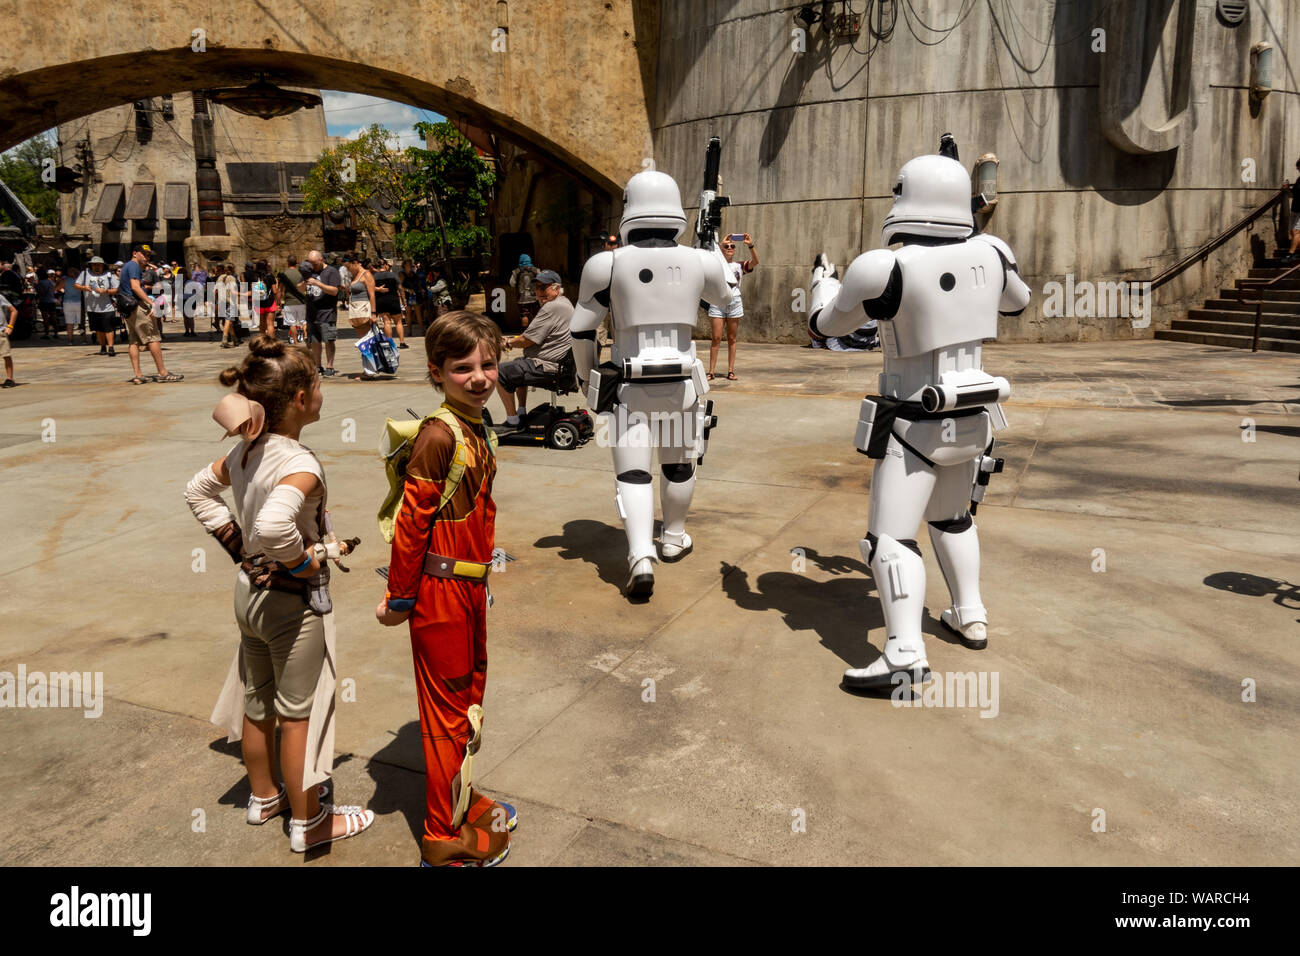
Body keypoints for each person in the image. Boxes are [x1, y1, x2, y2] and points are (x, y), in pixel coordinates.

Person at [806, 141, 1030, 690]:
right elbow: (1018, 302)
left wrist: (822, 284)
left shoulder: (883, 266)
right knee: (953, 518)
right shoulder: (994, 253)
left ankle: (905, 651)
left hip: (913, 419)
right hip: (973, 416)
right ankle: (969, 613)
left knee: (890, 539)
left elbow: (824, 327)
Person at [185, 335, 374, 853]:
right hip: (293, 605)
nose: (320, 392)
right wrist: (301, 560)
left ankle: (265, 795)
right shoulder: (299, 464)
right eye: (316, 384)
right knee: (298, 716)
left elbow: (197, 491)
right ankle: (310, 823)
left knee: (257, 701)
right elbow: (273, 527)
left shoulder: (245, 451)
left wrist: (238, 549)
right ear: (298, 399)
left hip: (248, 598)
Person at [375, 311, 516, 867]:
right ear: (436, 372)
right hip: (438, 594)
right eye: (463, 369)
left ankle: (458, 798)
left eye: (488, 364)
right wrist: (401, 599)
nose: (480, 378)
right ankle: (439, 834)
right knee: (445, 717)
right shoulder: (439, 434)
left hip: (469, 587)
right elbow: (412, 524)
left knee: (468, 701)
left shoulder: (476, 423)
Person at [569, 170, 737, 597]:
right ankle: (674, 536)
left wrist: (587, 378)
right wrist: (709, 247)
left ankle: (641, 554)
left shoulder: (605, 263)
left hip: (626, 384)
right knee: (680, 465)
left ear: (629, 209)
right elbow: (728, 297)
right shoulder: (700, 260)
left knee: (633, 472)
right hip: (683, 384)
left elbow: (582, 331)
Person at [495, 270, 572, 426]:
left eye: (544, 288)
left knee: (499, 373)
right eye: (537, 287)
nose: (539, 292)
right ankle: (521, 412)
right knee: (518, 363)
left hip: (548, 366)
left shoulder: (551, 307)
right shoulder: (564, 303)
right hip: (555, 364)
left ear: (556, 289)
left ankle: (512, 421)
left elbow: (526, 340)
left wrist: (507, 342)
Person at [120, 244, 182, 384]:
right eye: (144, 254)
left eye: (149, 255)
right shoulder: (134, 266)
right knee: (153, 337)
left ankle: (138, 375)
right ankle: (163, 373)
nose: (147, 257)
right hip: (137, 306)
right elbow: (135, 287)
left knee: (134, 341)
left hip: (128, 308)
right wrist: (151, 302)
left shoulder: (127, 266)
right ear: (135, 253)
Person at [707, 233, 758, 381]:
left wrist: (750, 245)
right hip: (718, 302)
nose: (729, 248)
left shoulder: (739, 266)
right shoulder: (716, 263)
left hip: (734, 302)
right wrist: (720, 244)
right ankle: (711, 371)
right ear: (722, 249)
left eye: (732, 246)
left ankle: (730, 370)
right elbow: (709, 256)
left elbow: (755, 261)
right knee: (716, 338)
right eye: (726, 246)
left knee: (732, 338)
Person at [298, 250, 341, 376]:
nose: (313, 267)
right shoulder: (309, 271)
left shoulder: (331, 271)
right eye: (310, 264)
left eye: (315, 264)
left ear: (321, 260)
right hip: (312, 312)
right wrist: (305, 281)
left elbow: (334, 291)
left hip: (327, 312)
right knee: (314, 341)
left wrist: (317, 283)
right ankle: (318, 365)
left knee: (329, 340)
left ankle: (330, 366)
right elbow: (300, 288)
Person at [77, 256, 118, 356]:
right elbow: (76, 285)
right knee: (99, 329)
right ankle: (103, 346)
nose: (96, 267)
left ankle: (111, 348)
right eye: (94, 265)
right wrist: (84, 287)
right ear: (90, 265)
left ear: (103, 266)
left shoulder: (109, 275)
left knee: (109, 328)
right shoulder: (85, 274)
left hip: (107, 306)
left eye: (99, 265)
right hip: (92, 307)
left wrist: (106, 291)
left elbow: (117, 289)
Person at [372, 258, 406, 348]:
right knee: (398, 322)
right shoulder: (393, 275)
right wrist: (403, 299)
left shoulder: (374, 277)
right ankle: (402, 342)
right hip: (393, 300)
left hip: (381, 301)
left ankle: (390, 343)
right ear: (385, 265)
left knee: (386, 322)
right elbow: (400, 288)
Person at [276, 255, 307, 346]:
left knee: (292, 323)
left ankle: (295, 342)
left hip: (289, 302)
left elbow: (279, 290)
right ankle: (306, 335)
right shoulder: (301, 273)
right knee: (304, 321)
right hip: (301, 301)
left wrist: (278, 303)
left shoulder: (284, 274)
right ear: (296, 262)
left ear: (288, 262)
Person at [508, 254, 540, 326]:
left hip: (522, 297)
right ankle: (537, 330)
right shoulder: (535, 270)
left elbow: (512, 283)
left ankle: (525, 331)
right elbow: (542, 281)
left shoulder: (516, 271)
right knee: (536, 314)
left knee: (524, 314)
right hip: (535, 296)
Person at [216, 262, 242, 348]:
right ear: (233, 269)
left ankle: (235, 339)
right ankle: (224, 340)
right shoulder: (232, 278)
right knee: (228, 320)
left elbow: (215, 290)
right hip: (230, 301)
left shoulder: (220, 277)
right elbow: (233, 291)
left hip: (221, 301)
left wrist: (216, 300)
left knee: (229, 320)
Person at [253, 260, 277, 339]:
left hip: (258, 303)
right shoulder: (270, 276)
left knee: (261, 324)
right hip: (269, 302)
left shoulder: (255, 276)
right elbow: (274, 291)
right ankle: (271, 343)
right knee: (270, 324)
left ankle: (262, 343)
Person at [1285, 158, 1300, 264]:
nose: (1298, 169)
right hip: (1295, 208)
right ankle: (1296, 251)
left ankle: (1290, 254)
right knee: (1292, 232)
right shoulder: (1299, 179)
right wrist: (1287, 189)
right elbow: (1293, 194)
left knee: (1296, 232)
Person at [1, 290, 17, 387]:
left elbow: (14, 311)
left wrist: (10, 326)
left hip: (1, 330)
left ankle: (9, 378)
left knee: (6, 355)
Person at [36, 269, 57, 339]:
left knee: (45, 318)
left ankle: (47, 333)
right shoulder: (50, 282)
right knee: (53, 317)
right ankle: (56, 332)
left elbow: (41, 292)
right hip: (52, 301)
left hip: (44, 301)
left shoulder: (41, 282)